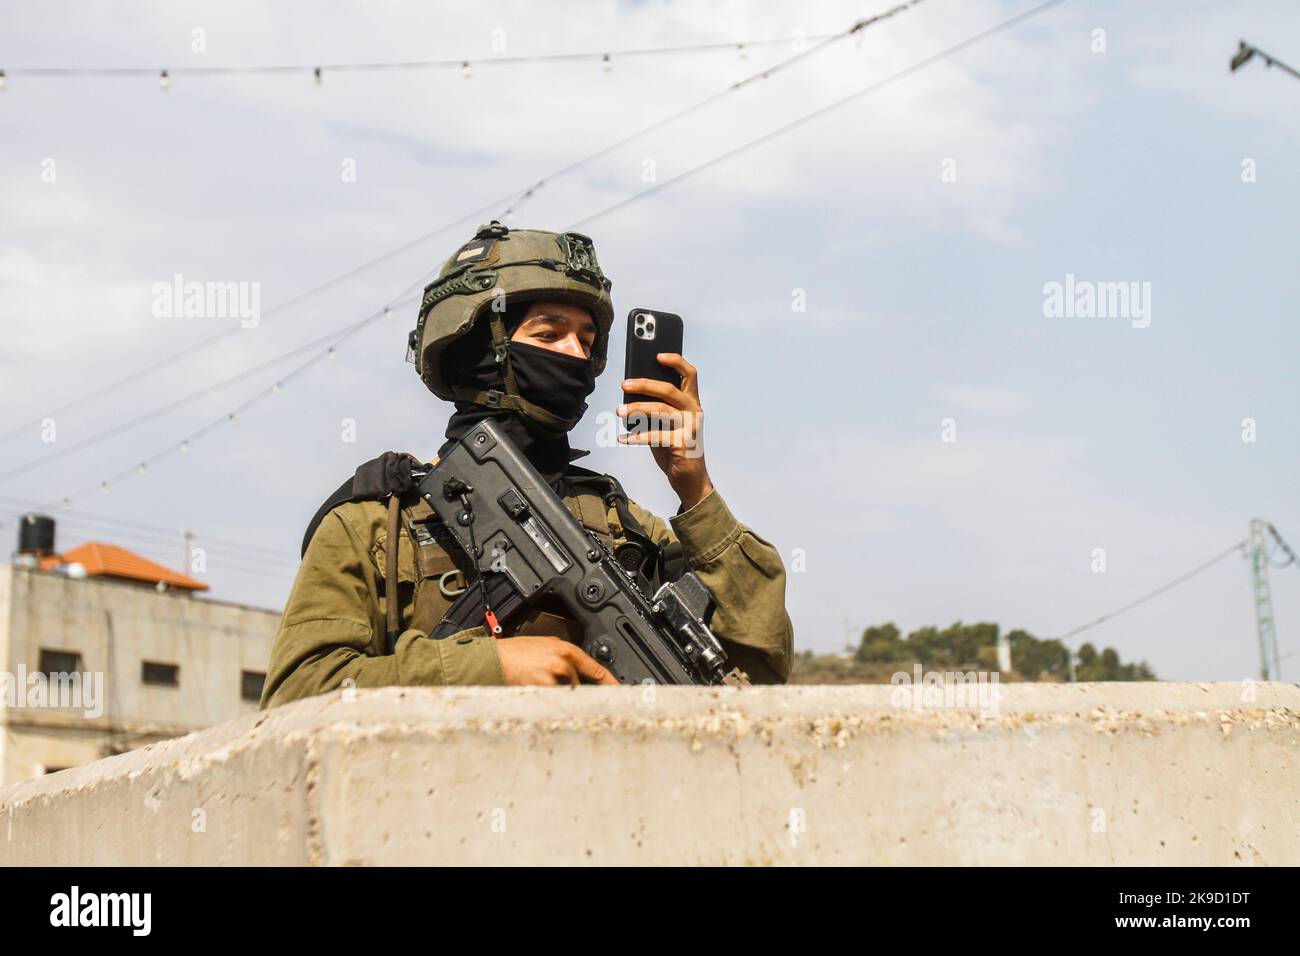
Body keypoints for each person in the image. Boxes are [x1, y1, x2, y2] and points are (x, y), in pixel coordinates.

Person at [260, 223, 792, 707]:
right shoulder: (376, 524)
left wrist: (695, 490)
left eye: (587, 340)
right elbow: (300, 694)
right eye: (548, 334)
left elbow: (762, 667)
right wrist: (492, 668)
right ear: (479, 349)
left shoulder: (624, 529)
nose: (577, 356)